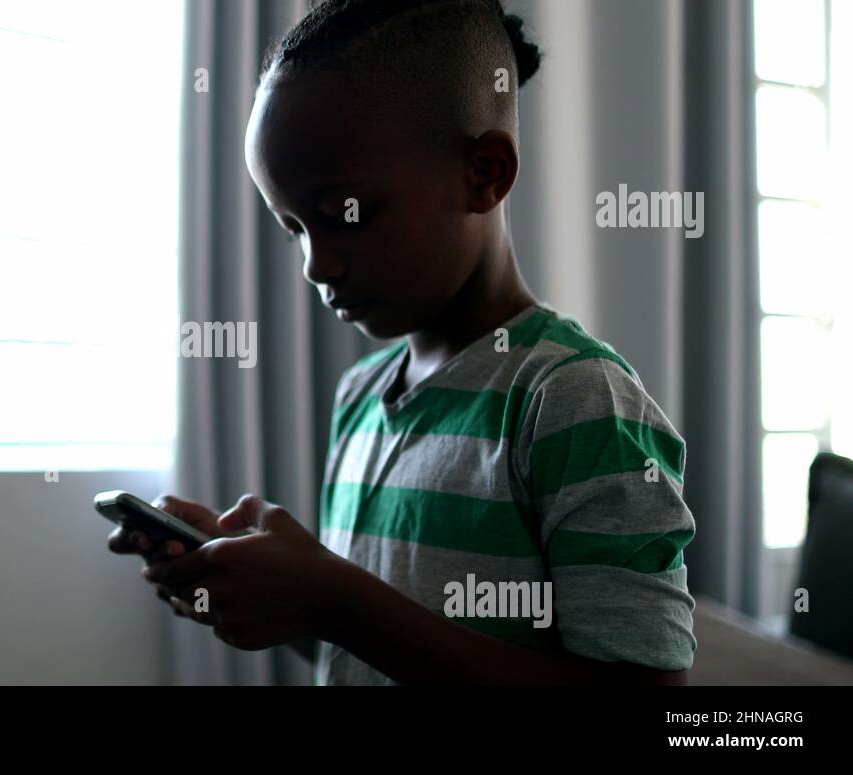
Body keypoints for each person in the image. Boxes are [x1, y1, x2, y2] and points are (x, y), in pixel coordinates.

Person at [109, 0, 695, 685]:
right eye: (294, 227)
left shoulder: (575, 401)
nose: (317, 264)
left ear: (484, 173)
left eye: (343, 215)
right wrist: (287, 599)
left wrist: (338, 601)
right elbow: (373, 651)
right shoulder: (359, 396)